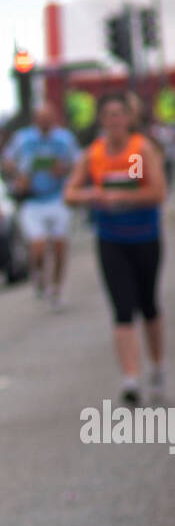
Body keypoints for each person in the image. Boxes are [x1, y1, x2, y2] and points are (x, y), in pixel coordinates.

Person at [64, 93, 167, 404]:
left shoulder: (138, 152)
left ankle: (158, 366)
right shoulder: (94, 155)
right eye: (108, 115)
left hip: (144, 237)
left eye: (119, 114)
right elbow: (70, 193)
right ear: (101, 120)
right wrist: (93, 195)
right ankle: (130, 377)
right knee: (122, 308)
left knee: (147, 304)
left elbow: (155, 191)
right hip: (112, 240)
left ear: (128, 118)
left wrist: (121, 198)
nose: (114, 121)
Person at [1, 103, 79, 309]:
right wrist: (19, 176)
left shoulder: (65, 139)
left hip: (57, 197)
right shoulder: (22, 139)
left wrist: (63, 169)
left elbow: (78, 163)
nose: (45, 122)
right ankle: (38, 275)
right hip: (33, 200)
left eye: (48, 117)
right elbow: (7, 161)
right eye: (41, 118)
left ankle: (56, 288)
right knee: (38, 248)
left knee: (60, 246)